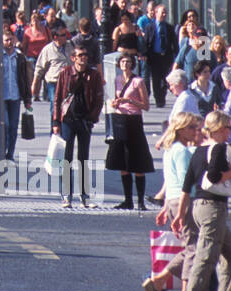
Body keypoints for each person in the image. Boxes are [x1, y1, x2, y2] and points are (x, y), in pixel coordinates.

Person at [174, 111, 231, 291]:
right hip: (213, 208)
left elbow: (186, 186)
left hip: (198, 207)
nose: (230, 130)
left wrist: (180, 215)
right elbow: (213, 176)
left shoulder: (199, 151)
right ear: (218, 129)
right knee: (205, 259)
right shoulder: (219, 148)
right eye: (227, 127)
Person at [142, 112, 204, 291]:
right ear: (180, 130)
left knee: (191, 247)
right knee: (194, 248)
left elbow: (170, 180)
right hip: (184, 201)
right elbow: (187, 182)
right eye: (192, 127)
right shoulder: (181, 152)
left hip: (173, 200)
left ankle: (160, 281)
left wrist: (167, 206)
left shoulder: (171, 149)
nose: (196, 131)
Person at [52, 46, 103, 209]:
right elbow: (58, 98)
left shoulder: (93, 75)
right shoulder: (65, 73)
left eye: (86, 55)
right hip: (68, 120)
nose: (84, 58)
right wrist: (55, 121)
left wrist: (92, 118)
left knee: (83, 159)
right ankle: (66, 195)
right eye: (80, 55)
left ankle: (84, 196)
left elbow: (98, 99)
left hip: (84, 121)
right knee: (66, 159)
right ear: (73, 58)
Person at [105, 53, 153, 210]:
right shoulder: (116, 80)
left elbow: (146, 106)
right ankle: (127, 200)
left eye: (128, 61)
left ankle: (140, 201)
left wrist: (129, 101)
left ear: (132, 64)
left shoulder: (138, 81)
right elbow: (110, 99)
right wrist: (115, 103)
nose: (125, 64)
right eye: (123, 61)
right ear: (119, 64)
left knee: (137, 161)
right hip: (120, 120)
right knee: (122, 161)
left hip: (134, 121)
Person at [0, 31, 33, 162]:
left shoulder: (19, 57)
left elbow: (25, 78)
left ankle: (10, 154)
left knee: (13, 127)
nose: (9, 42)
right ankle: (2, 151)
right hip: (2, 96)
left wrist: (27, 99)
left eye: (10, 40)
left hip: (15, 95)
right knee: (5, 125)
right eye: (6, 40)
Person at [145, 3, 177, 108]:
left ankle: (162, 96)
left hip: (166, 57)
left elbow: (174, 42)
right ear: (156, 13)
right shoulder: (150, 27)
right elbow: (146, 42)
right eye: (162, 12)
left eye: (165, 12)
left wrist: (176, 55)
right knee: (156, 78)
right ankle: (158, 98)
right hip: (155, 57)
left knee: (165, 78)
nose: (164, 14)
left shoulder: (169, 27)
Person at [32, 25, 72, 105]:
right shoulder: (47, 49)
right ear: (55, 37)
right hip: (54, 82)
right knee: (55, 105)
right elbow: (39, 68)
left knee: (68, 107)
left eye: (66, 34)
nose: (66, 37)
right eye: (63, 35)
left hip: (68, 82)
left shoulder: (71, 46)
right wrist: (35, 84)